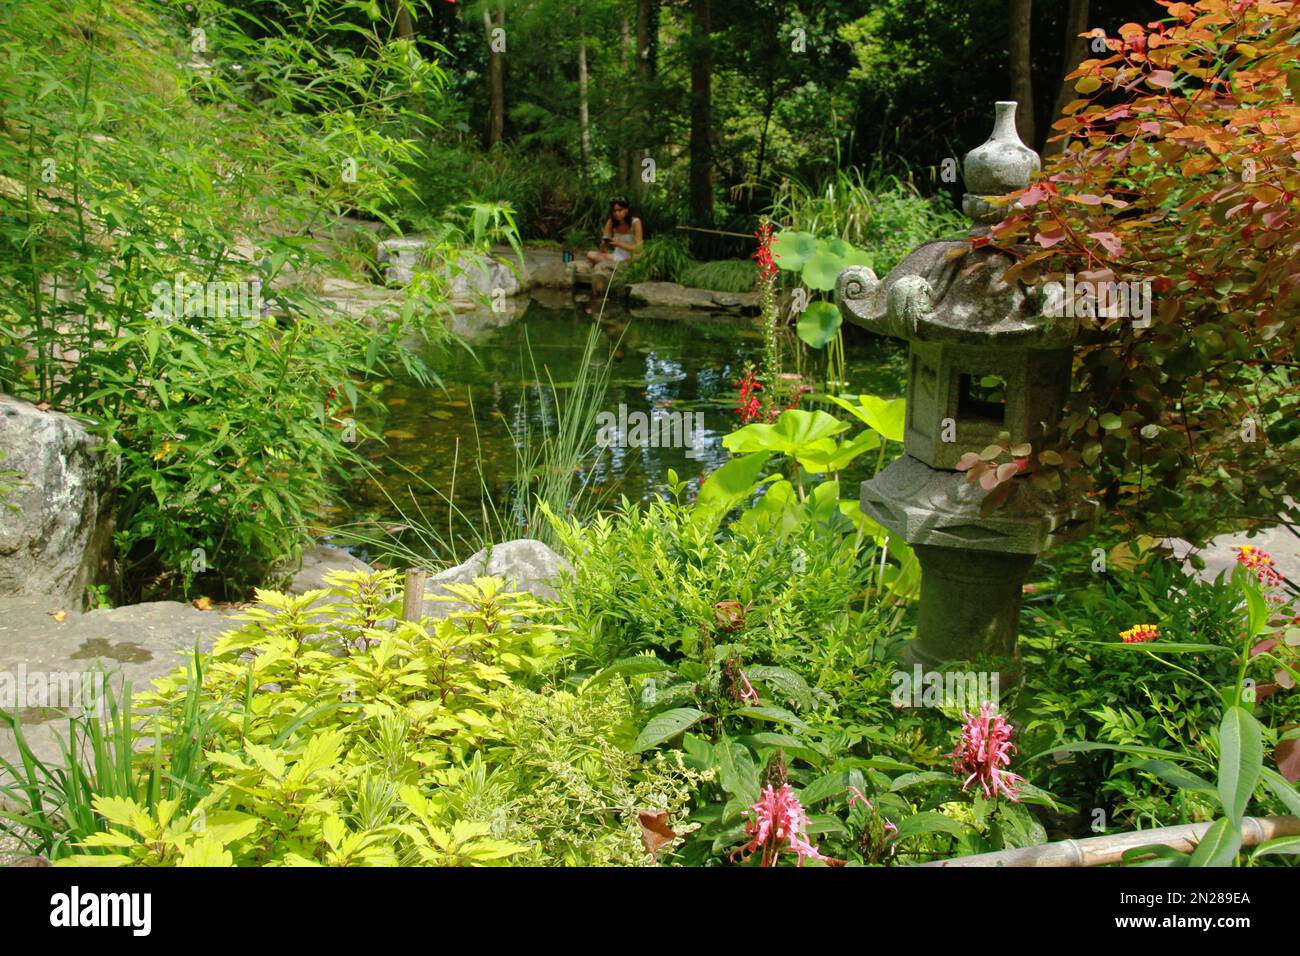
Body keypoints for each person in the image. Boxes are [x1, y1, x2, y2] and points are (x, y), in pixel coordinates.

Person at [585, 197, 642, 266]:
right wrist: (603, 245)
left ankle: (616, 265)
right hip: (616, 256)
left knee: (638, 257)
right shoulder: (611, 222)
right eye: (614, 211)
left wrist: (619, 244)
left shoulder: (636, 222)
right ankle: (615, 265)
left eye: (619, 210)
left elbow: (639, 249)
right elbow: (603, 251)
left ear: (626, 210)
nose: (616, 213)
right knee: (590, 254)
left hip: (632, 257)